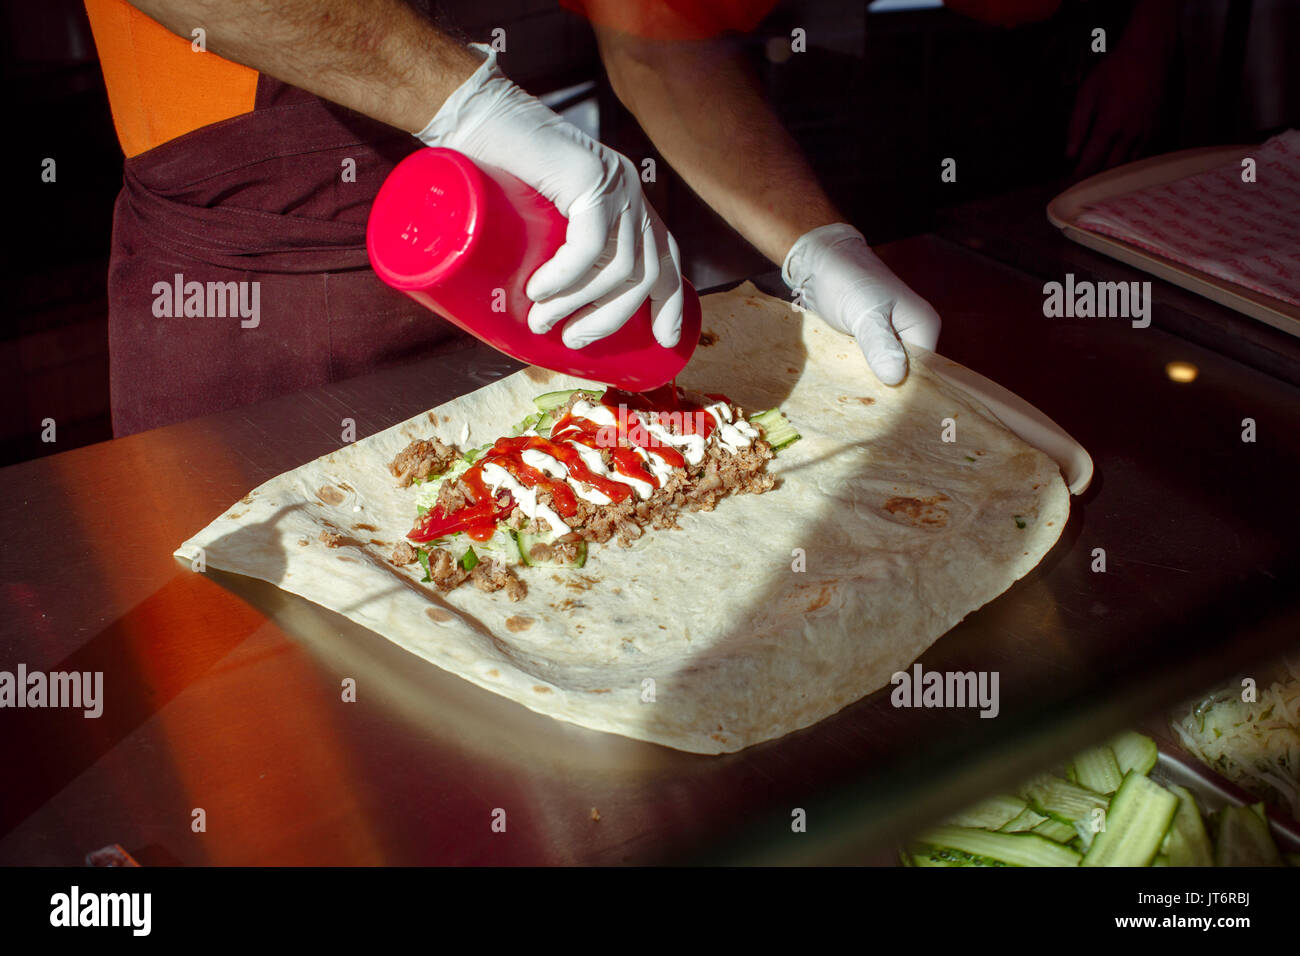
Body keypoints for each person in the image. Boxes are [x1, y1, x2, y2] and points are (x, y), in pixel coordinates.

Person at [85, 0, 940, 436]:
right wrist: (467, 107)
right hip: (267, 302)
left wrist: (812, 241)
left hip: (537, 280)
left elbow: (649, 30)